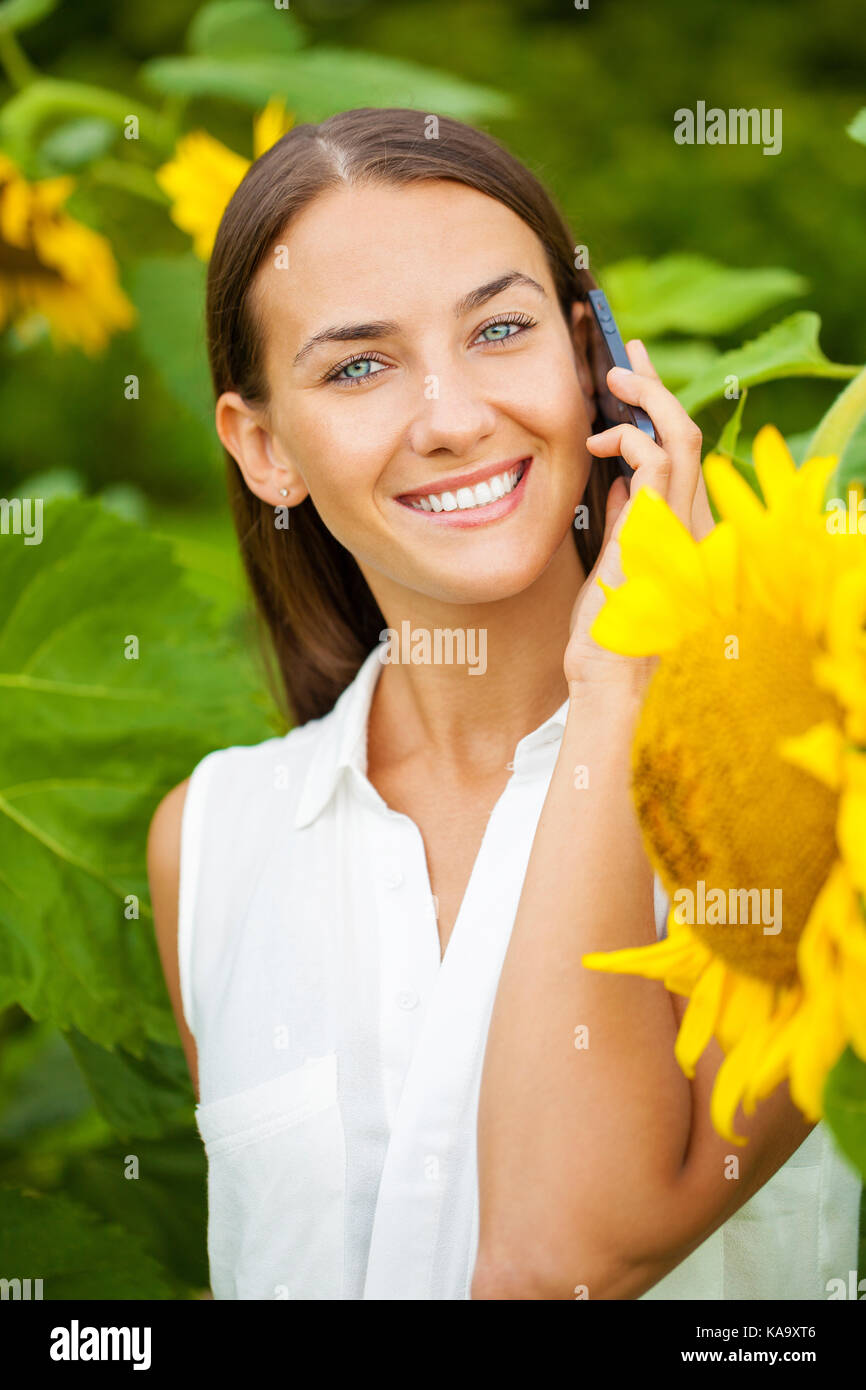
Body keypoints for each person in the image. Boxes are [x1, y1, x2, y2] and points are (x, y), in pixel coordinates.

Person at [147, 107, 861, 1300]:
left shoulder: (810, 766)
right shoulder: (212, 842)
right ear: (262, 446)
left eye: (500, 329)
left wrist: (622, 668)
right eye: (359, 365)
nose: (454, 416)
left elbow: (552, 1261)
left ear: (592, 362)